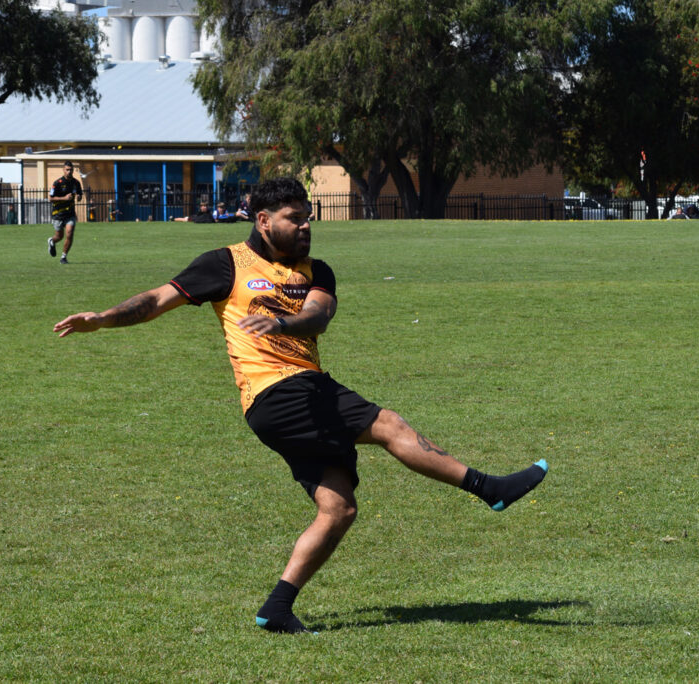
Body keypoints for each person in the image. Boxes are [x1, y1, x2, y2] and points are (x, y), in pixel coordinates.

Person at [53, 177, 549, 635]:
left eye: (308, 215)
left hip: (302, 392)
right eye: (295, 217)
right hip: (276, 393)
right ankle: (489, 489)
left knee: (338, 508)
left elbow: (318, 316)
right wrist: (102, 319)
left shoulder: (318, 271)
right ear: (263, 220)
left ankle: (276, 608)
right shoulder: (225, 264)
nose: (307, 224)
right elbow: (157, 299)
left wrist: (283, 325)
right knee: (389, 425)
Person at [48, 161, 83, 264]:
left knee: (70, 233)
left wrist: (79, 197)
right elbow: (50, 198)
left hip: (70, 214)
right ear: (63, 170)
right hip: (58, 214)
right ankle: (51, 241)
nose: (69, 172)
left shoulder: (76, 183)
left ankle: (63, 257)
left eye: (71, 170)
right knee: (59, 236)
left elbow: (80, 196)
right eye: (67, 170)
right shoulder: (57, 183)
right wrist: (64, 198)